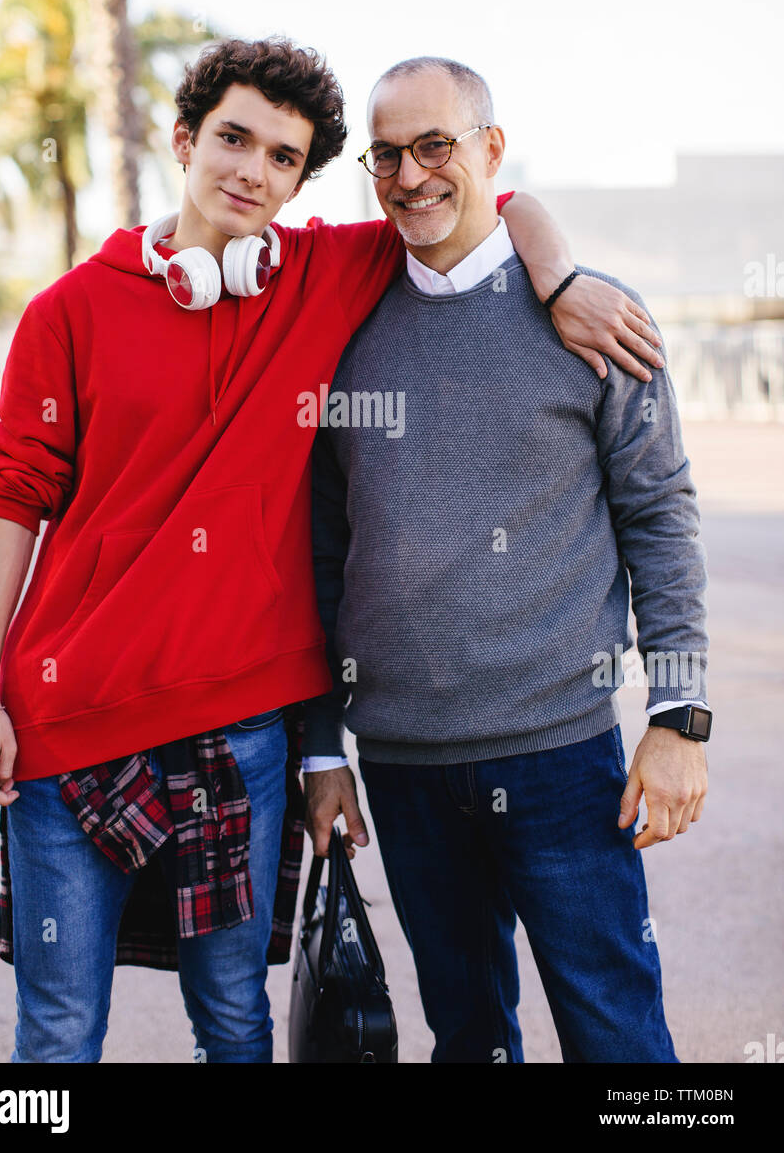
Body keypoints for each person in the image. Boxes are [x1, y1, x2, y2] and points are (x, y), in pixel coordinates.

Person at [0, 38, 663, 1064]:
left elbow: (476, 198)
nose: (251, 170)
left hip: (241, 733)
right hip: (68, 730)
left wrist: (557, 280)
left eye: (282, 157)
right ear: (183, 139)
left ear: (301, 180)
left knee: (238, 1028)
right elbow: (11, 500)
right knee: (57, 1035)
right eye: (233, 139)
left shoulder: (324, 274)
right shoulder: (66, 312)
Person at [304, 55, 710, 1064]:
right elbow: (316, 556)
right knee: (466, 1039)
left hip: (561, 759)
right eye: (385, 155)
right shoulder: (340, 330)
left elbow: (660, 518)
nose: (408, 176)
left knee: (616, 1039)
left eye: (433, 145)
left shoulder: (594, 320)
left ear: (490, 149)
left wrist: (678, 718)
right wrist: (320, 745)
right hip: (401, 766)